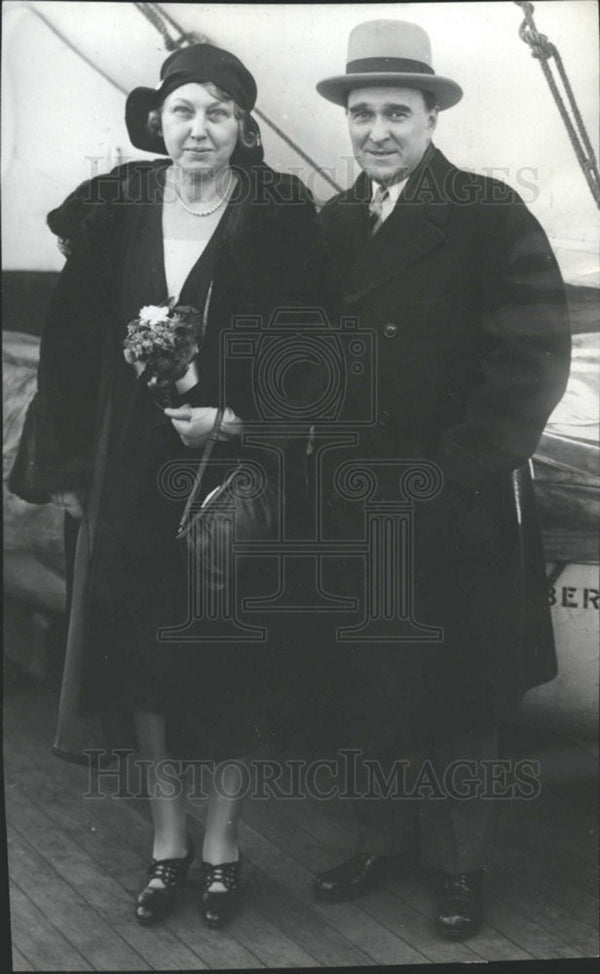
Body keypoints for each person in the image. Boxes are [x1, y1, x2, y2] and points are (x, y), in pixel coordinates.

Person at [9, 42, 337, 929]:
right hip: (129, 472)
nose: (200, 128)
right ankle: (167, 839)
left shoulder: (277, 213)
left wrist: (232, 417)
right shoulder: (116, 205)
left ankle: (223, 842)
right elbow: (71, 345)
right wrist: (68, 469)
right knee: (141, 653)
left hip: (235, 476)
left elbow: (310, 351)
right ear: (159, 119)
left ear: (242, 128)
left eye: (219, 112)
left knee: (233, 654)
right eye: (185, 110)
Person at [310, 19, 571, 938]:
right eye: (364, 114)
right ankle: (380, 840)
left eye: (397, 113)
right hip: (357, 494)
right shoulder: (332, 224)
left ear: (430, 118)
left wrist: (453, 471)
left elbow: (533, 359)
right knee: (372, 675)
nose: (378, 131)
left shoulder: (490, 214)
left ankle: (460, 866)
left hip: (456, 495)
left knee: (462, 686)